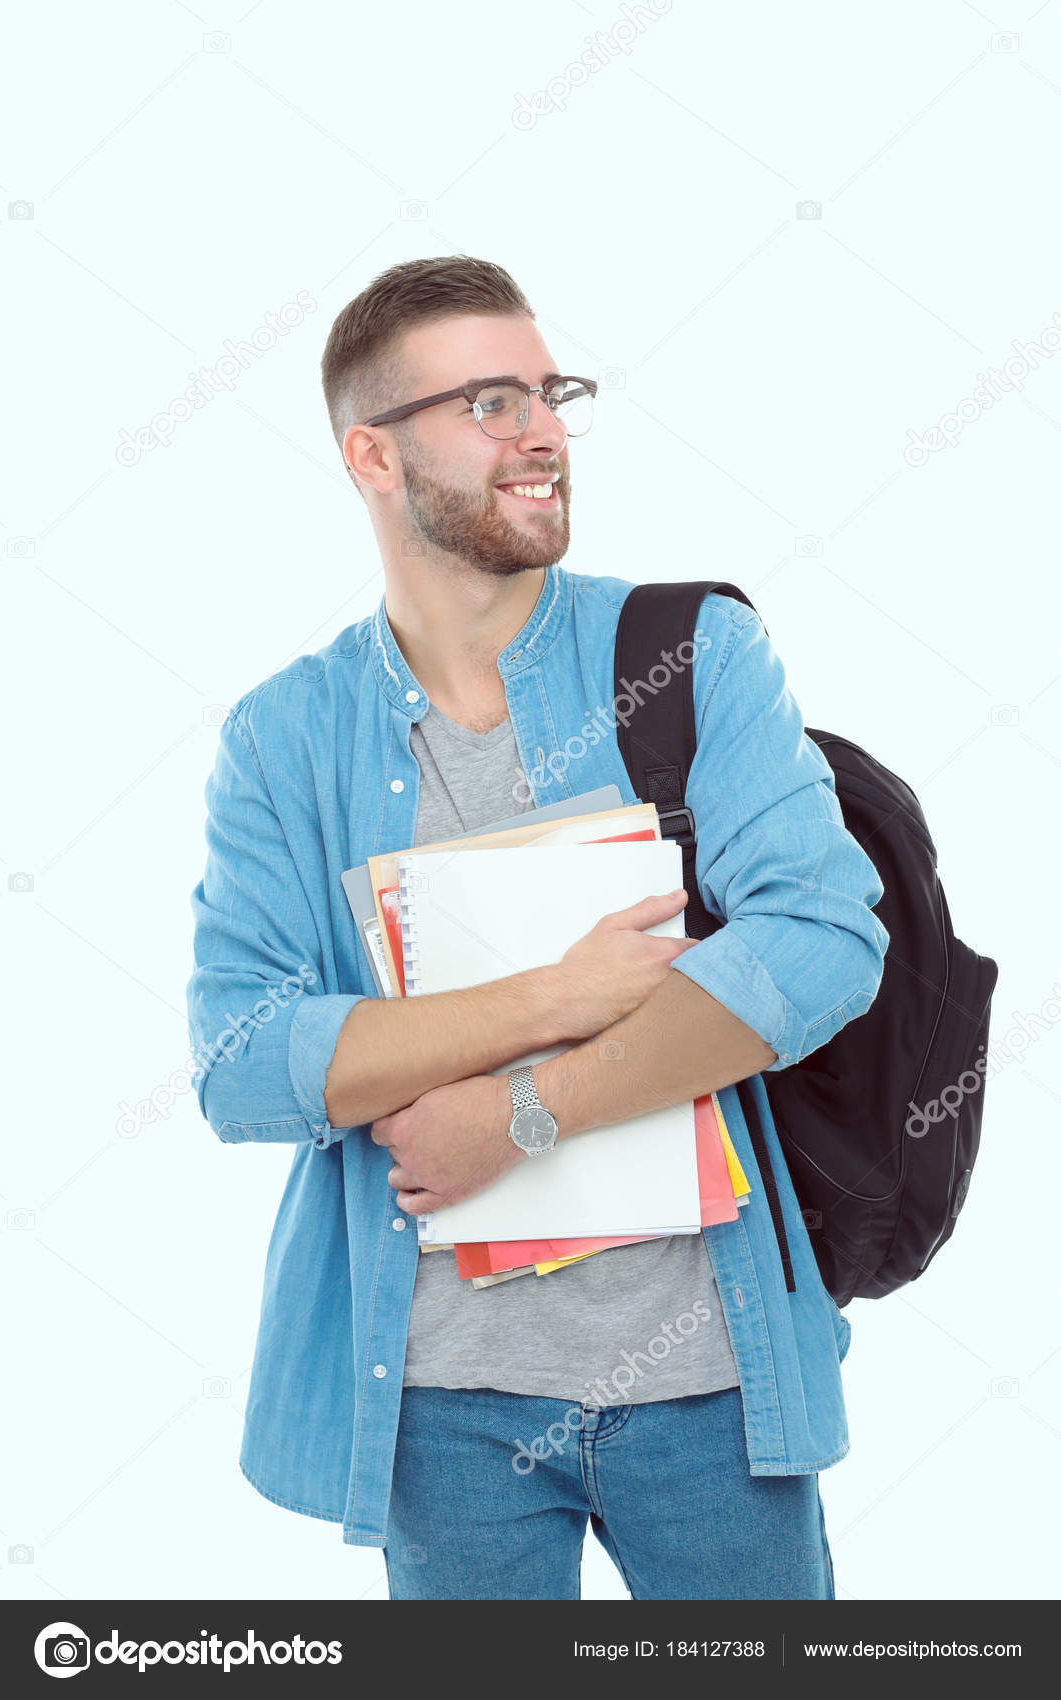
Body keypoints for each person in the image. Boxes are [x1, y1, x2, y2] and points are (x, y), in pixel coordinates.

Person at [187, 254, 889, 1601]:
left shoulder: (690, 655)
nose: (544, 431)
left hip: (709, 1381)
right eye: (489, 402)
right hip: (440, 1404)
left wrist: (520, 1115)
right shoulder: (286, 735)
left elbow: (819, 940)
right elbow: (242, 1059)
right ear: (371, 456)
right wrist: (554, 1000)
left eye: (549, 394)